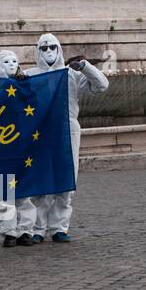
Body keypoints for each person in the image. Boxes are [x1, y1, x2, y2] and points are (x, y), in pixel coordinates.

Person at [29, 32, 108, 242]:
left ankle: (59, 227)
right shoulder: (30, 75)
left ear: (59, 49)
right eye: (44, 48)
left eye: (52, 47)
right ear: (38, 51)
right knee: (43, 179)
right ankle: (37, 228)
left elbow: (101, 85)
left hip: (68, 128)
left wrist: (85, 66)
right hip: (41, 131)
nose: (49, 52)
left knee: (66, 179)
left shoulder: (71, 74)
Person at [0, 50, 35, 248]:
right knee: (3, 189)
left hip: (21, 143)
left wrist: (26, 86)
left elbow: (35, 104)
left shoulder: (25, 85)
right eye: (7, 62)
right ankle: (8, 231)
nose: (12, 64)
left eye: (15, 61)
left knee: (24, 190)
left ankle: (26, 230)